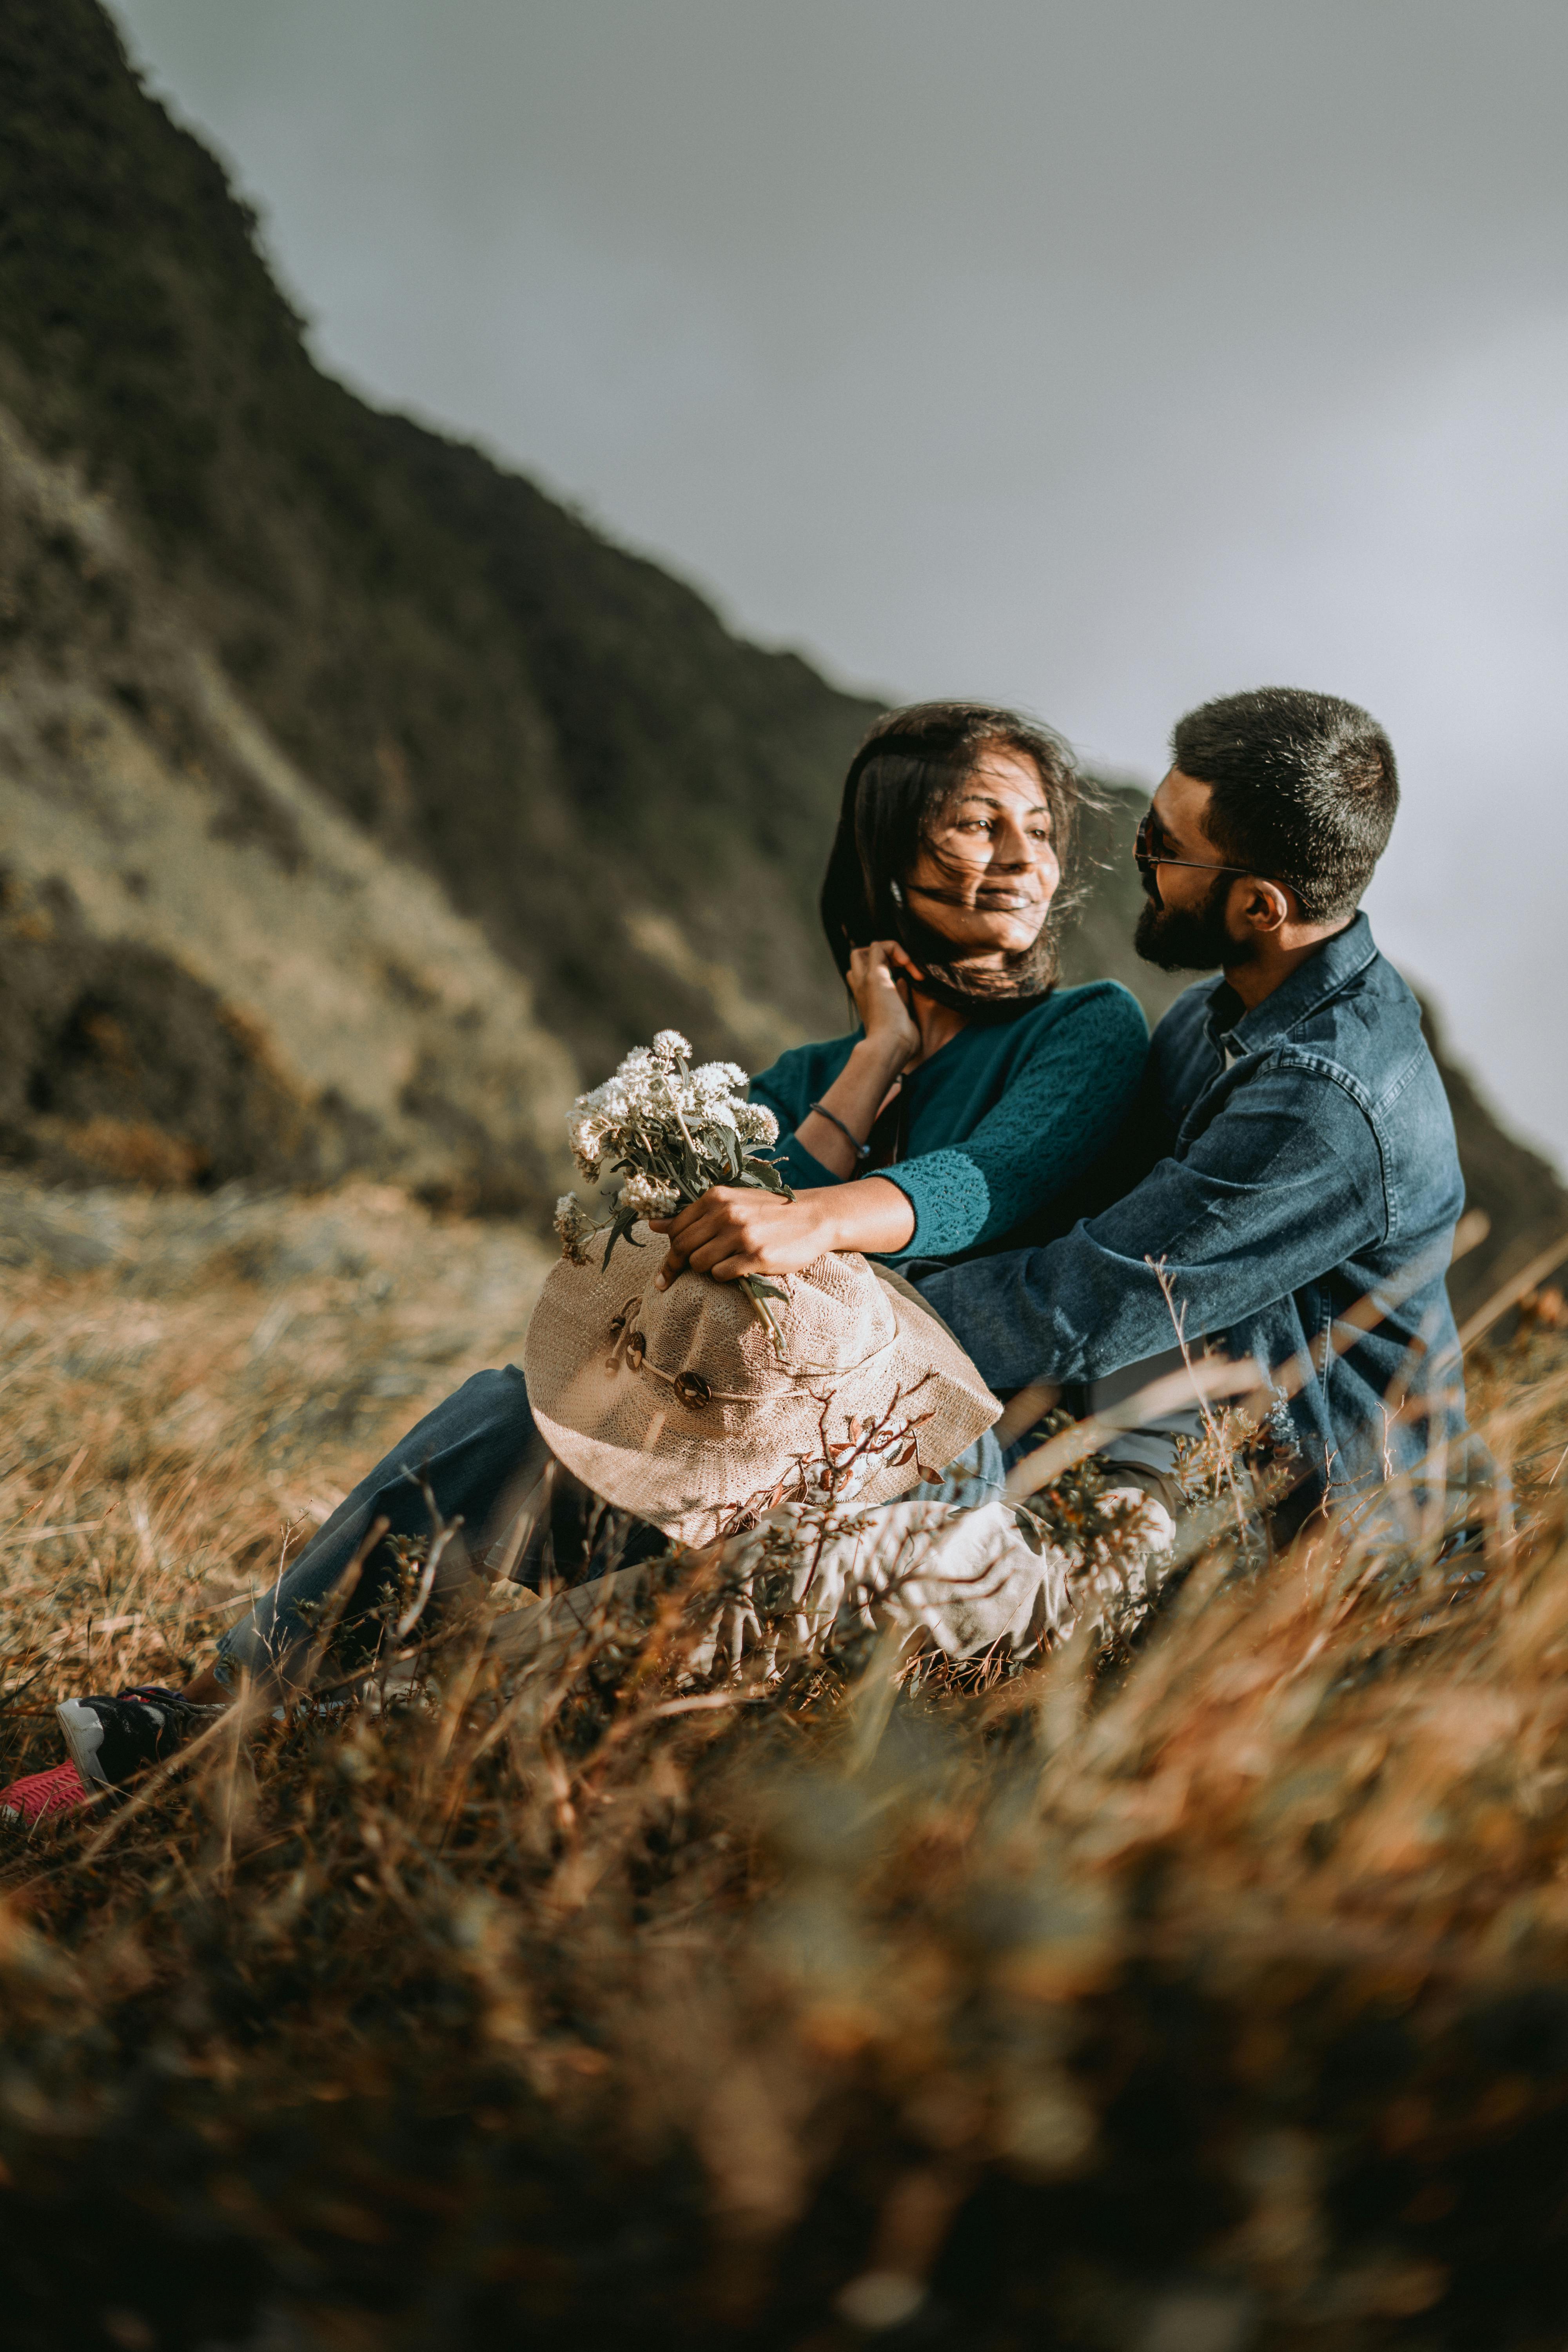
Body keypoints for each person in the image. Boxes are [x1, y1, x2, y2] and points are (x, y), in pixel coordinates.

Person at [2, 701, 1151, 1821]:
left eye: (1040, 830)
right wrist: (871, 1065)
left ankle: (210, 1755)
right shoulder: (809, 1077)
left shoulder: (1085, 1026)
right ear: (890, 852)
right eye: (974, 824)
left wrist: (820, 1218)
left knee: (539, 1645)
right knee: (508, 1414)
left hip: (924, 1471)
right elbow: (713, 1264)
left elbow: (1003, 1175)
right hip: (745, 1441)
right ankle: (221, 1702)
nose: (1020, 859)